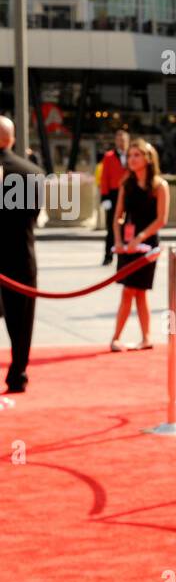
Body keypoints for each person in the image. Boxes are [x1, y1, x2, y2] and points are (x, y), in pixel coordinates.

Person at [110, 139, 168, 352]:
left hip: (147, 244)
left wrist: (141, 237)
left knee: (137, 290)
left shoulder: (159, 186)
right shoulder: (127, 183)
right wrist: (118, 240)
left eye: (136, 155)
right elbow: (118, 216)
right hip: (128, 244)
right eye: (130, 155)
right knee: (131, 291)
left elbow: (162, 219)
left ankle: (135, 337)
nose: (131, 159)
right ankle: (137, 337)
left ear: (147, 158)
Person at [0, 114, 44, 393]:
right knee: (21, 318)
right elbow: (34, 214)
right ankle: (19, 372)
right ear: (12, 138)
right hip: (19, 252)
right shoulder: (32, 172)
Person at [99, 129, 129, 265]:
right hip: (113, 194)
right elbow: (104, 177)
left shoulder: (132, 155)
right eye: (119, 140)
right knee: (111, 226)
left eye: (123, 140)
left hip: (129, 193)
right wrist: (104, 197)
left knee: (128, 225)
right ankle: (108, 255)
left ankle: (126, 255)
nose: (121, 142)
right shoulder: (109, 156)